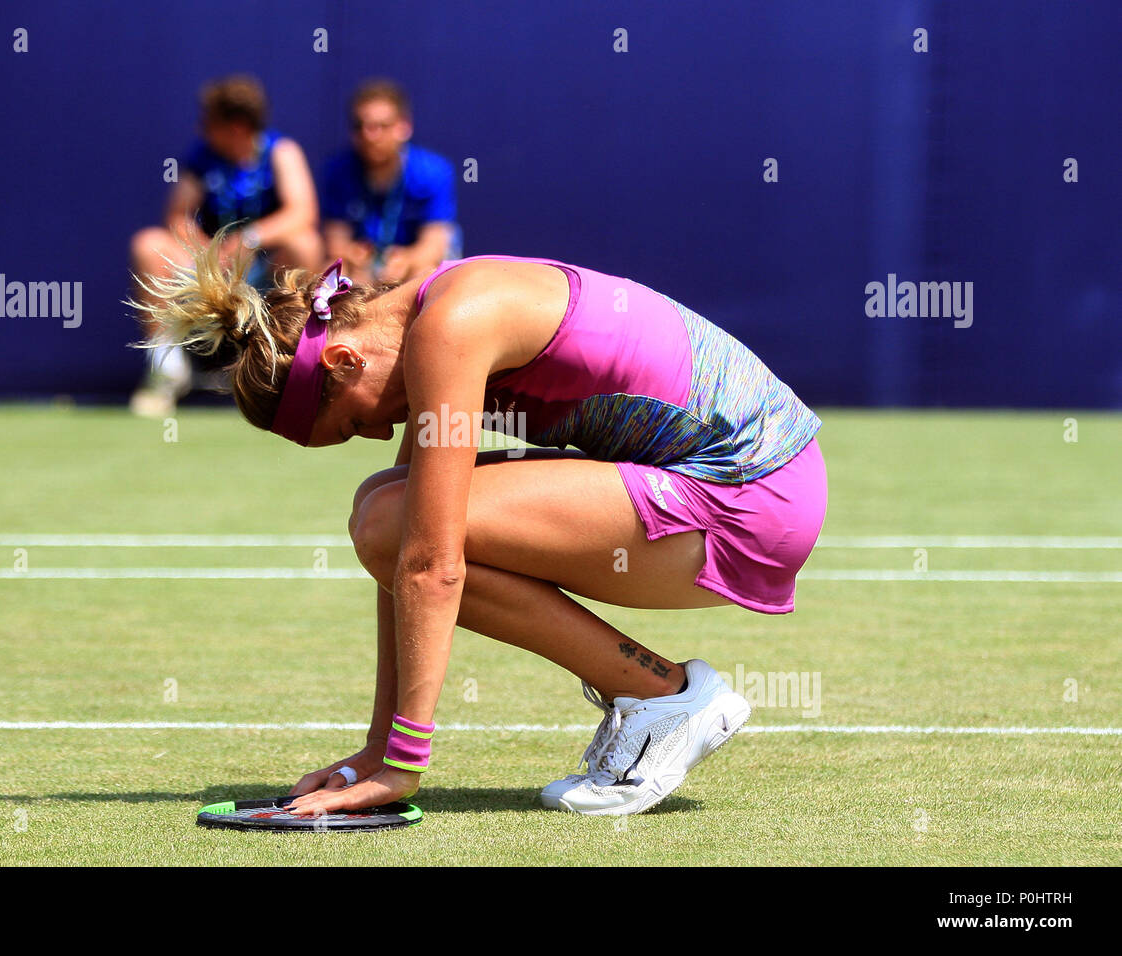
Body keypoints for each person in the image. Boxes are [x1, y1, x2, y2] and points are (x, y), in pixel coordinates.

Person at [132, 231, 827, 817]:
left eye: (353, 423)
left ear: (345, 360)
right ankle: (657, 695)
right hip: (752, 488)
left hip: (752, 498)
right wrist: (375, 753)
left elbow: (430, 564)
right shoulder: (429, 316)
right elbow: (407, 558)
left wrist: (401, 768)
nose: (377, 435)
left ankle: (664, 698)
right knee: (387, 510)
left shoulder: (452, 325)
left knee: (386, 515)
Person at [129, 74, 322, 417]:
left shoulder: (282, 151)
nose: (203, 131)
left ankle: (294, 370)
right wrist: (206, 252)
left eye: (209, 123)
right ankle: (166, 372)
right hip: (214, 269)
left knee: (305, 245)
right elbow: (178, 216)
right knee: (148, 244)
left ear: (235, 127)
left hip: (264, 267)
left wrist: (252, 239)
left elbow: (302, 212)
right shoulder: (203, 156)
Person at [321, 79, 458, 285]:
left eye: (381, 126)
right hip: (362, 266)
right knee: (331, 269)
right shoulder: (338, 170)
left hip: (410, 262)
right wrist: (352, 255)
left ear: (404, 127)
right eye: (360, 126)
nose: (370, 135)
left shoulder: (434, 171)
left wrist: (407, 259)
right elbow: (335, 240)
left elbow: (435, 245)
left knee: (426, 272)